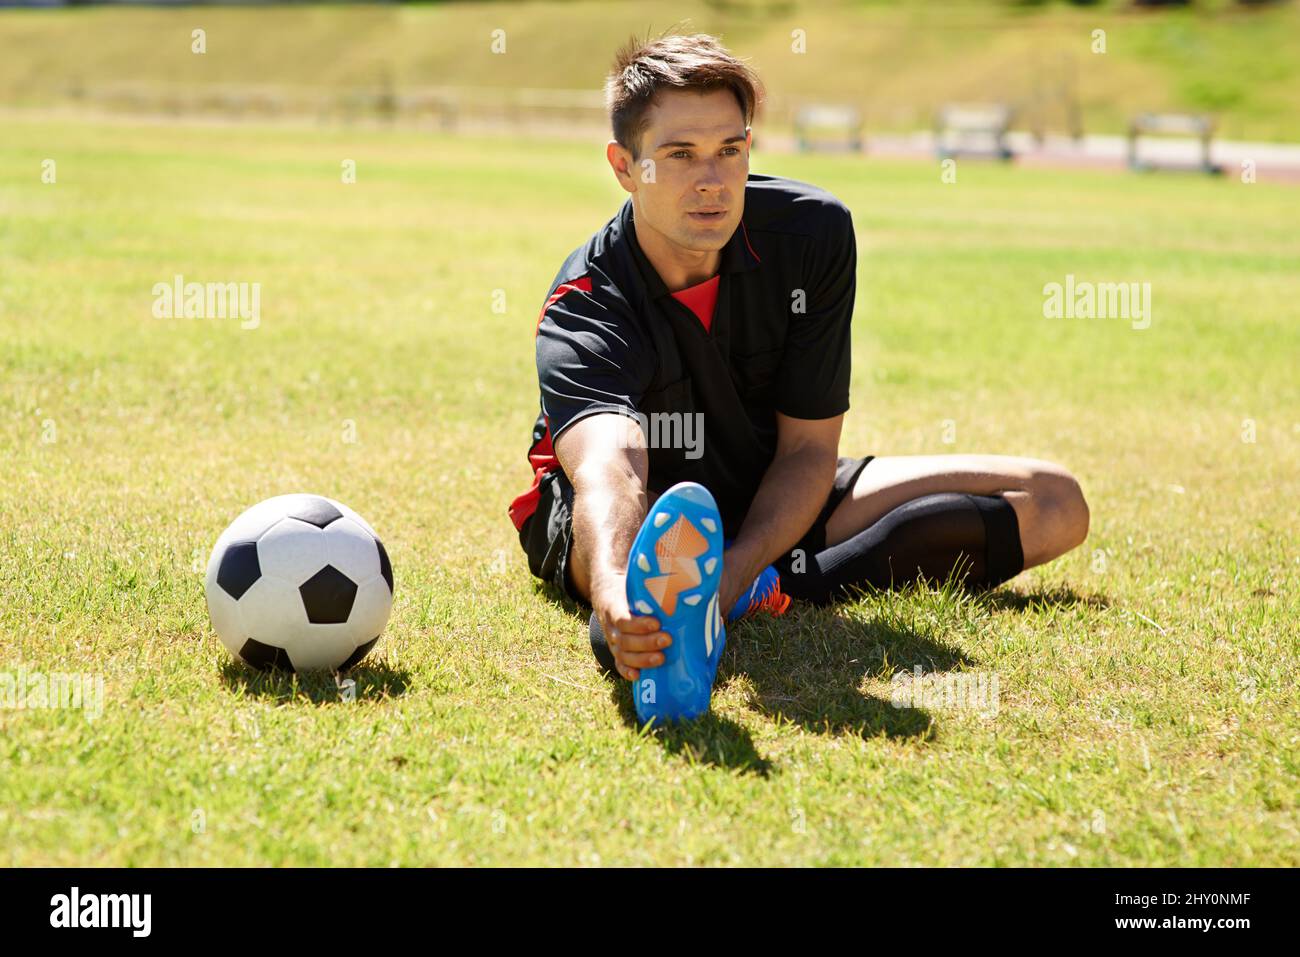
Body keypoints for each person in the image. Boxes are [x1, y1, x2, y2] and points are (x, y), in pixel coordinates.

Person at [509, 32, 1090, 685]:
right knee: (632, 573)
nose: (711, 180)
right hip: (633, 509)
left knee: (1053, 502)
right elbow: (611, 468)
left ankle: (758, 583)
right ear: (624, 167)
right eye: (679, 154)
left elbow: (808, 452)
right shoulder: (586, 299)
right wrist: (614, 587)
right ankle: (679, 594)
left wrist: (733, 569)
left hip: (767, 486)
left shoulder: (812, 235)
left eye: (730, 150)